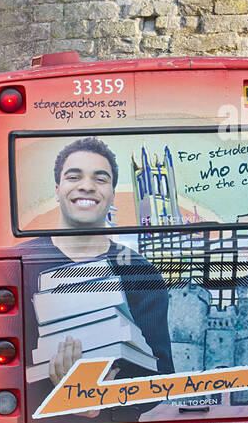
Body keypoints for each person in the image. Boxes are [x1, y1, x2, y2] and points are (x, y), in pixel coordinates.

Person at [37, 136, 173, 400]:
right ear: (57, 190)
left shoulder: (141, 273)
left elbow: (161, 375)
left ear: (112, 193)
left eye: (100, 179)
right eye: (74, 177)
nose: (87, 186)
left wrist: (102, 401)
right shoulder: (12, 264)